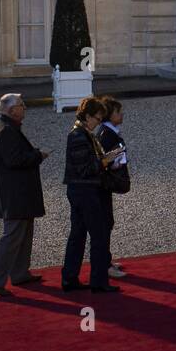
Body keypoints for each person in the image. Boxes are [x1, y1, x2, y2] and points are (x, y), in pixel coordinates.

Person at [0, 93, 48, 296]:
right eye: (21, 105)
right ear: (11, 110)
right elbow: (14, 160)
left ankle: (19, 273)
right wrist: (37, 155)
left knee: (24, 232)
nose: (25, 107)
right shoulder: (7, 131)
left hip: (17, 192)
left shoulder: (5, 128)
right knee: (12, 236)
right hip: (16, 193)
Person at [62, 97, 122, 292]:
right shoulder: (79, 136)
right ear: (87, 116)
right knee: (99, 235)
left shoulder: (83, 133)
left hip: (80, 190)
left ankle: (70, 278)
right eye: (97, 118)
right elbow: (85, 168)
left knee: (78, 235)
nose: (98, 122)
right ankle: (98, 281)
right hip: (84, 190)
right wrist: (105, 161)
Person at [97, 96, 129, 278]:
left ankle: (106, 260)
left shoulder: (110, 132)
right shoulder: (106, 135)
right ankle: (104, 264)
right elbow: (105, 161)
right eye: (118, 111)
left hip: (106, 184)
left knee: (107, 222)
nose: (121, 114)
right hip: (104, 184)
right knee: (104, 224)